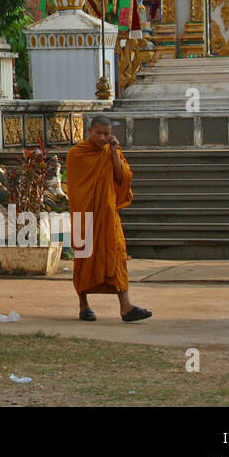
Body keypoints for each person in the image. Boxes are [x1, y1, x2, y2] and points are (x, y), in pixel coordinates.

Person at [66, 116, 152, 322]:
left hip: (107, 214)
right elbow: (76, 187)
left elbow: (122, 178)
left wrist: (114, 153)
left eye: (107, 134)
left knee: (116, 255)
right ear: (89, 131)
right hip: (84, 214)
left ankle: (126, 306)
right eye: (99, 133)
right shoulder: (77, 154)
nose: (103, 137)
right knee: (83, 258)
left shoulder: (111, 151)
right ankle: (83, 305)